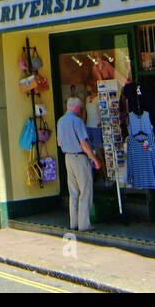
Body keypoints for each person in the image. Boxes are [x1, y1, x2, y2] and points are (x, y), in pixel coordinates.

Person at [56, 97, 102, 232]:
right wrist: (94, 159)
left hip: (68, 158)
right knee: (85, 191)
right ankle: (84, 225)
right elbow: (84, 143)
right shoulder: (78, 122)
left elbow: (59, 143)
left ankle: (73, 223)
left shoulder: (61, 121)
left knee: (73, 192)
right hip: (80, 158)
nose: (81, 110)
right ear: (77, 108)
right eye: (81, 108)